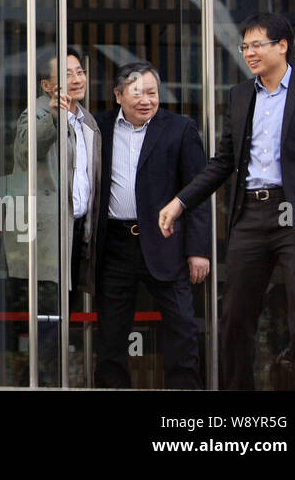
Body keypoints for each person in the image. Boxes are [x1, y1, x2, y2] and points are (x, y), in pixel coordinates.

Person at [159, 13, 295, 390]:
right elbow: (224, 161)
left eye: (257, 45)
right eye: (245, 47)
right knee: (235, 315)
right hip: (250, 215)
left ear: (282, 46)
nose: (249, 53)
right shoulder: (240, 95)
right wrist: (180, 202)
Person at [94, 61, 210, 389]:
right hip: (115, 245)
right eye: (136, 92)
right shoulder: (98, 128)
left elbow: (197, 192)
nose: (146, 99)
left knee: (182, 330)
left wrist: (198, 250)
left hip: (166, 241)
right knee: (111, 336)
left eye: (152, 92)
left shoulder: (179, 128)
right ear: (118, 95)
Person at [6, 48, 103, 386]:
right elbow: (25, 150)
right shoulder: (35, 112)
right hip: (48, 237)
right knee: (47, 320)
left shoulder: (87, 120)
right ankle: (40, 382)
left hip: (79, 232)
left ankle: (55, 379)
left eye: (79, 72)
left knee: (68, 318)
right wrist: (52, 116)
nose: (76, 79)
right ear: (48, 85)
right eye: (66, 75)